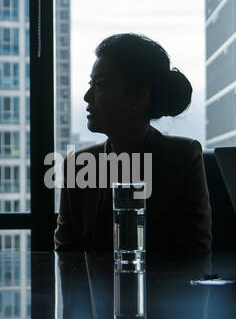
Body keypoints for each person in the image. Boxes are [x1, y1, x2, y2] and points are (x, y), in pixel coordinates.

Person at [54, 33, 211, 255]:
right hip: (96, 290)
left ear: (138, 96)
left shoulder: (183, 158)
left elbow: (195, 253)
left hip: (164, 289)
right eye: (91, 84)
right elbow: (66, 255)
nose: (87, 96)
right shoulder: (78, 165)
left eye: (100, 85)